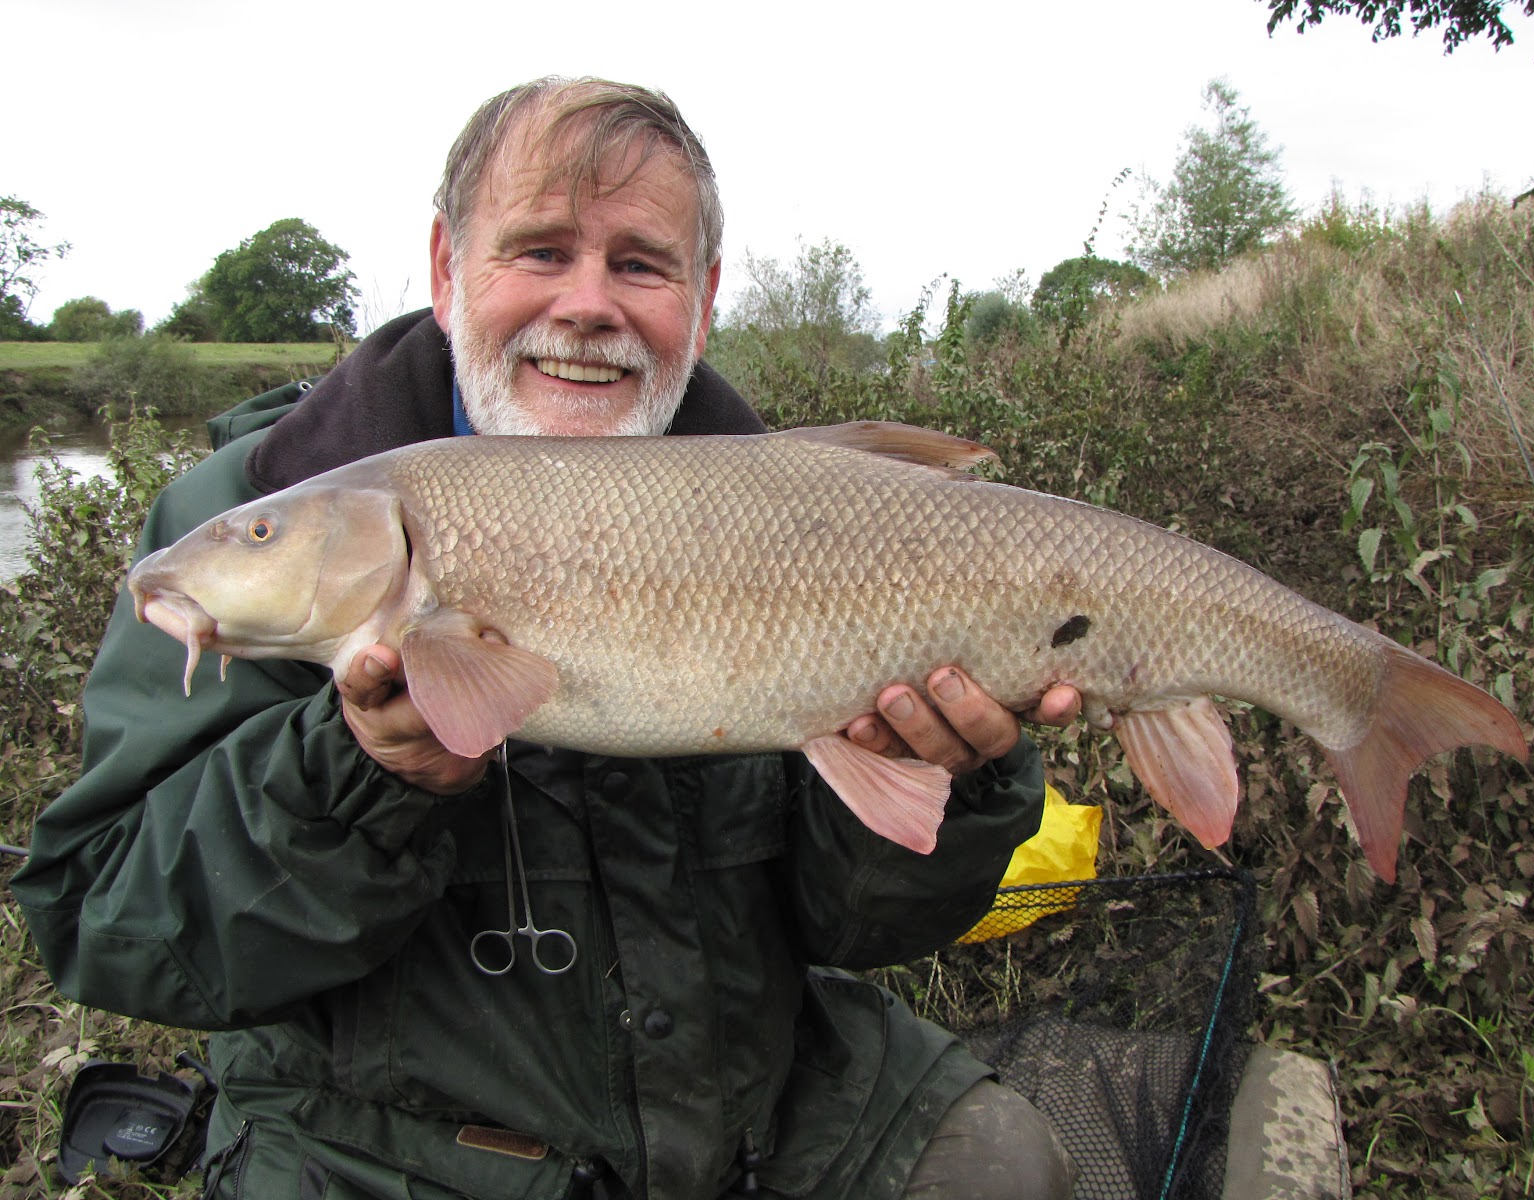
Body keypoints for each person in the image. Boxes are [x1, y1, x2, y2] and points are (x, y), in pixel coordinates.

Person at [14, 77, 1083, 1199]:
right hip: (383, 1152)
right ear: (443, 267)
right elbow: (105, 921)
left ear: (702, 296)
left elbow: (855, 925)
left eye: (639, 264)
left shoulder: (792, 502)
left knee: (1007, 1163)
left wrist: (947, 778)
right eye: (536, 251)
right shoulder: (251, 521)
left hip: (761, 1096)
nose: (587, 305)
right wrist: (364, 777)